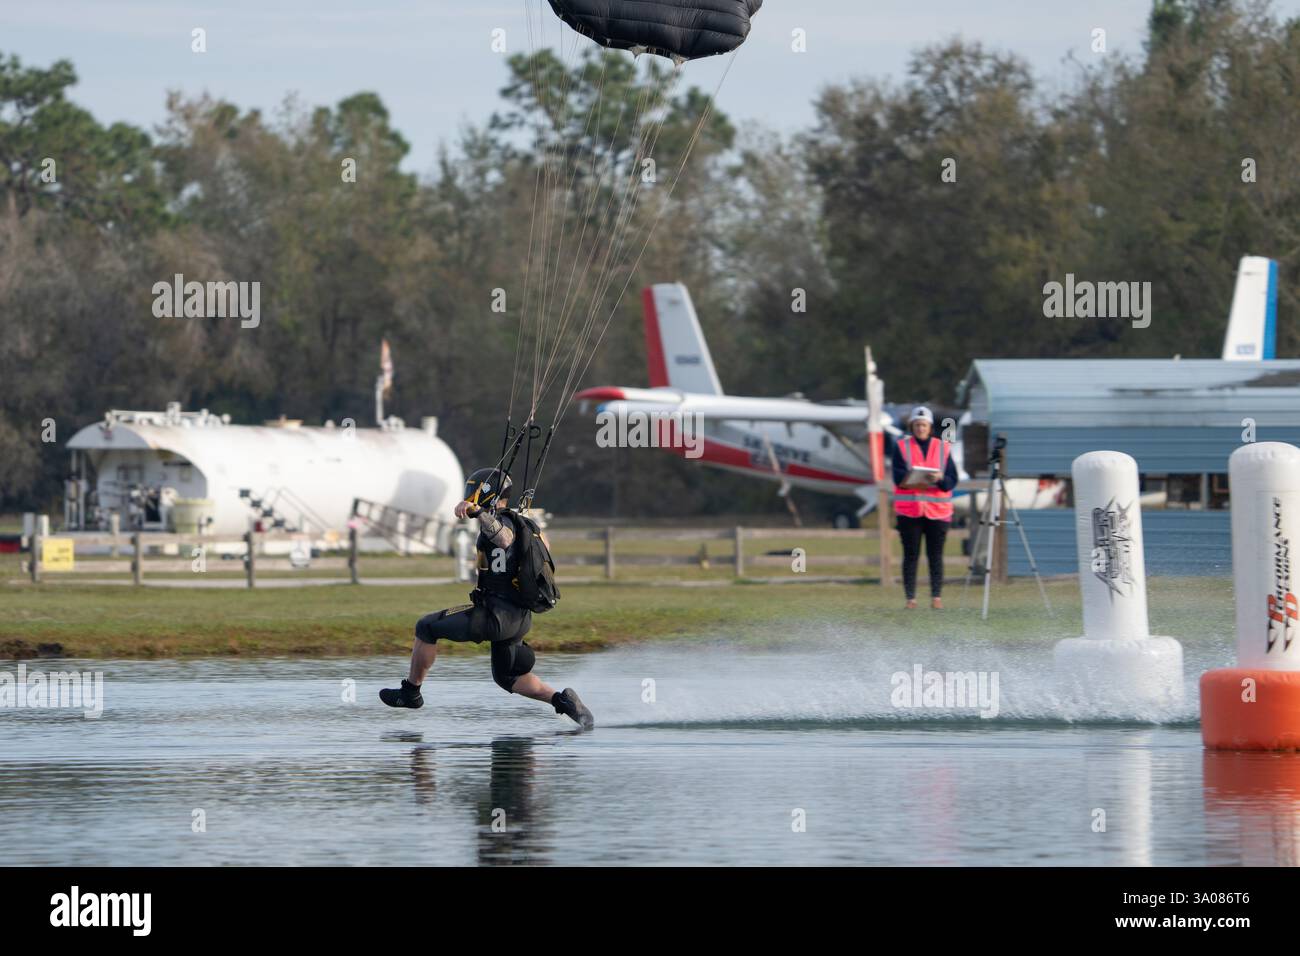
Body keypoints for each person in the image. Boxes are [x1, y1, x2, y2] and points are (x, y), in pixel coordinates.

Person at [379, 467, 594, 730]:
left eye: (473, 492)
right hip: (518, 619)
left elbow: (503, 539)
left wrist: (480, 513)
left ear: (486, 495)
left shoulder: (504, 524)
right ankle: (564, 703)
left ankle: (410, 693)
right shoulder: (527, 526)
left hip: (495, 617)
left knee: (426, 627)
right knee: (507, 677)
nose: (469, 497)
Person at [892, 406, 958, 610]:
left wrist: (939, 479)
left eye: (924, 425)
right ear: (912, 426)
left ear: (930, 427)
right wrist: (914, 478)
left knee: (935, 556)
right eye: (917, 425)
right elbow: (897, 478)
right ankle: (910, 598)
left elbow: (951, 481)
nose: (920, 428)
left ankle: (936, 597)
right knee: (911, 555)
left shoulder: (943, 447)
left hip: (937, 512)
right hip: (910, 511)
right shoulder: (901, 447)